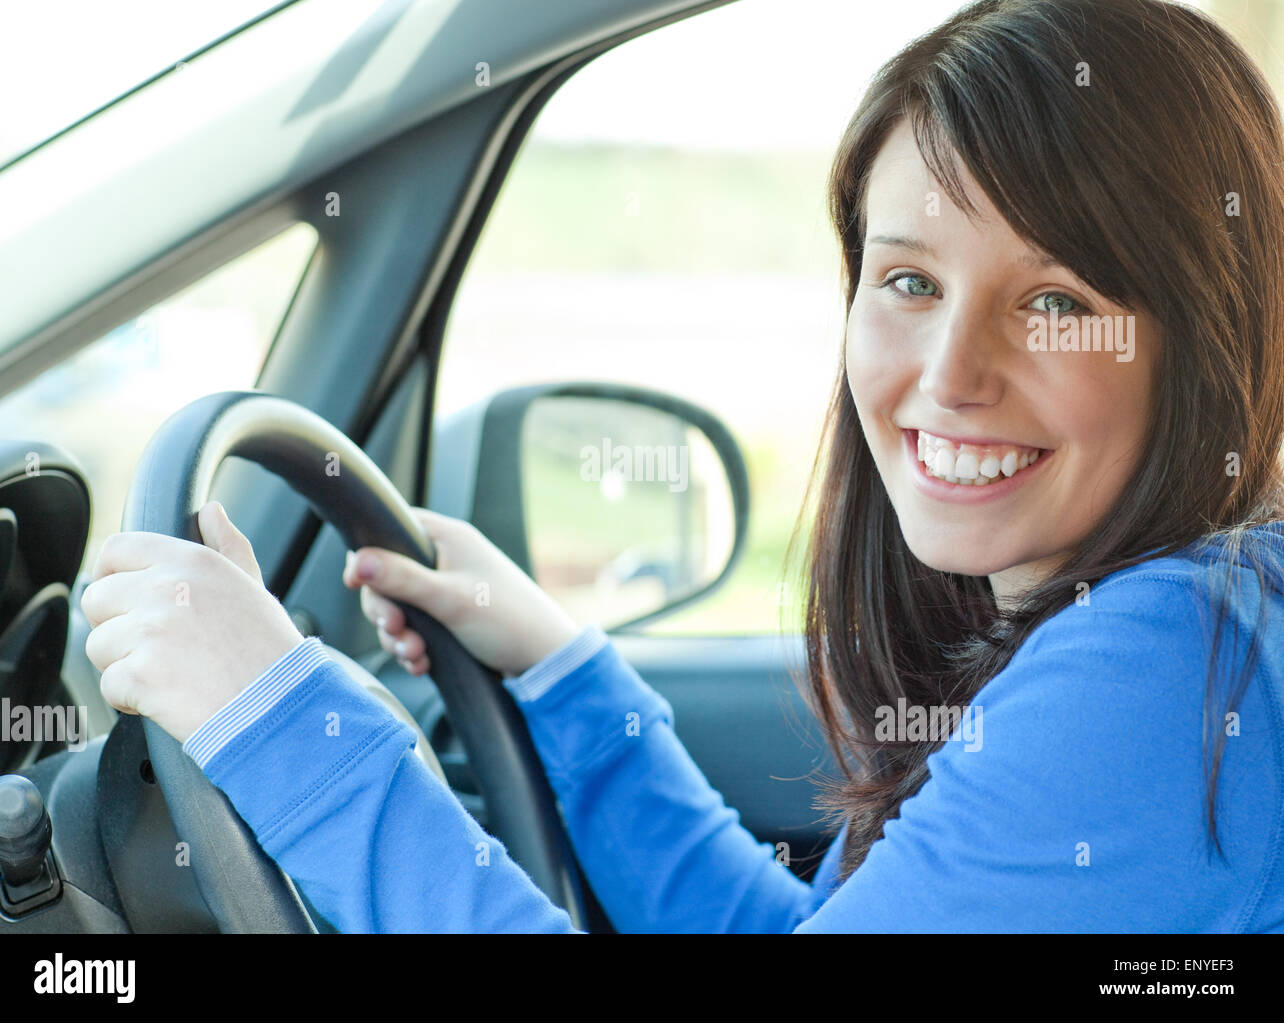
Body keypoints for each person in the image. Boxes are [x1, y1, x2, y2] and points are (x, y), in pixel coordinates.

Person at [81, 0, 1284, 932]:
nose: (952, 374)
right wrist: (563, 672)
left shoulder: (1171, 664)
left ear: (1201, 335)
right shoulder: (1185, 626)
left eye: (1055, 302)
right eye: (909, 280)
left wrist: (285, 720)